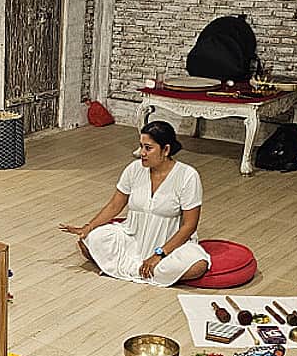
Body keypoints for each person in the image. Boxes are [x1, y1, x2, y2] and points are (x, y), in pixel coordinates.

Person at [59, 121, 210, 286]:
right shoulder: (134, 169)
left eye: (148, 148)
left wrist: (159, 254)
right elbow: (114, 205)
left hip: (169, 244)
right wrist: (88, 228)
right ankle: (141, 269)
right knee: (91, 240)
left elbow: (189, 226)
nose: (141, 153)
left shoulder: (188, 176)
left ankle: (135, 267)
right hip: (132, 236)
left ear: (166, 150)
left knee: (198, 266)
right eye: (141, 147)